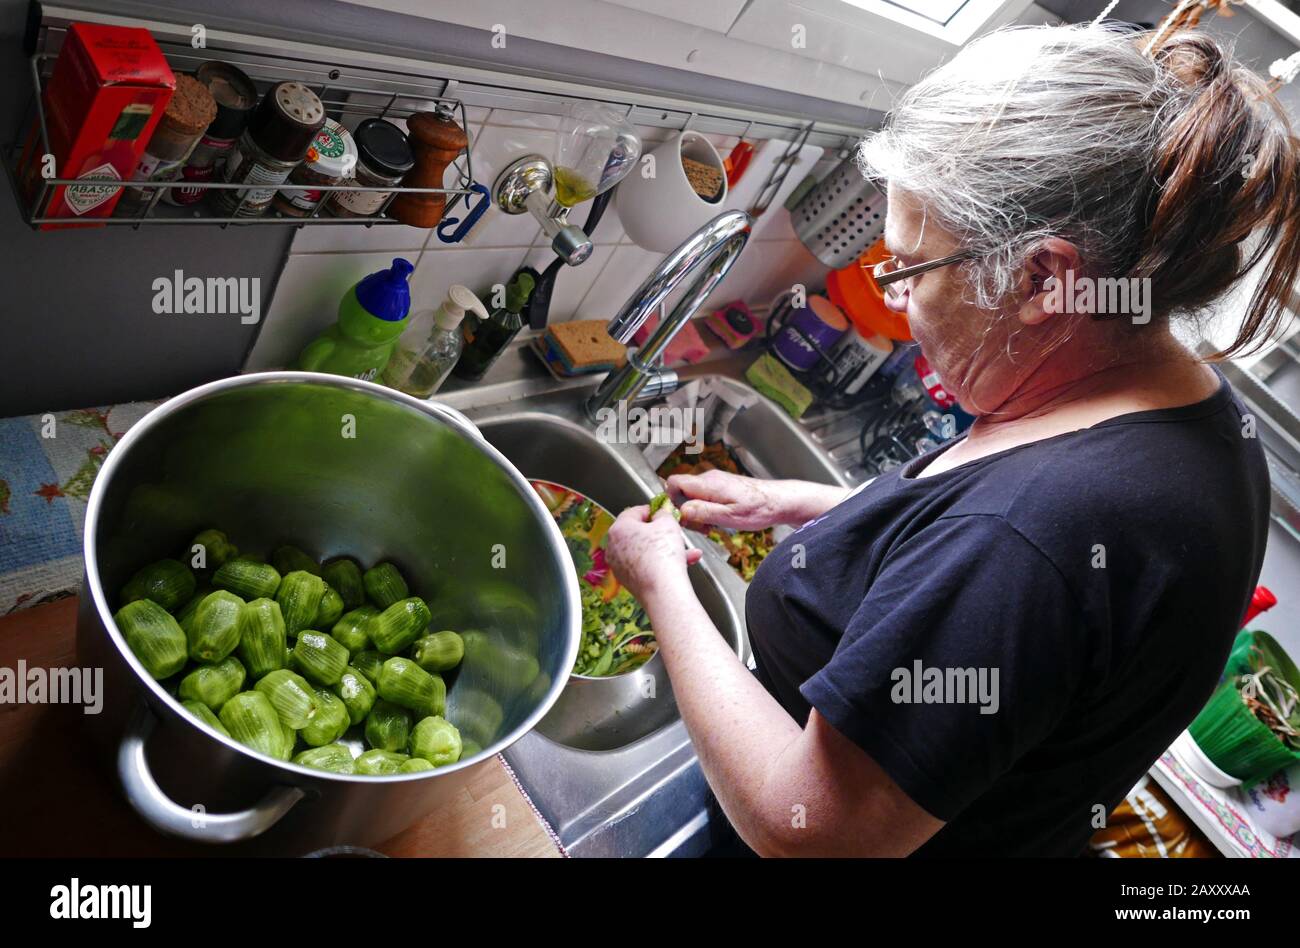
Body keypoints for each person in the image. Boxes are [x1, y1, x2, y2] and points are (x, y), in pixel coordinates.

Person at [602, 23, 1299, 856]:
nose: (894, 299)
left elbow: (813, 831)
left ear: (1046, 278)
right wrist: (808, 506)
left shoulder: (1031, 536)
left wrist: (665, 589)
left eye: (908, 269)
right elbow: (986, 562)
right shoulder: (1191, 417)